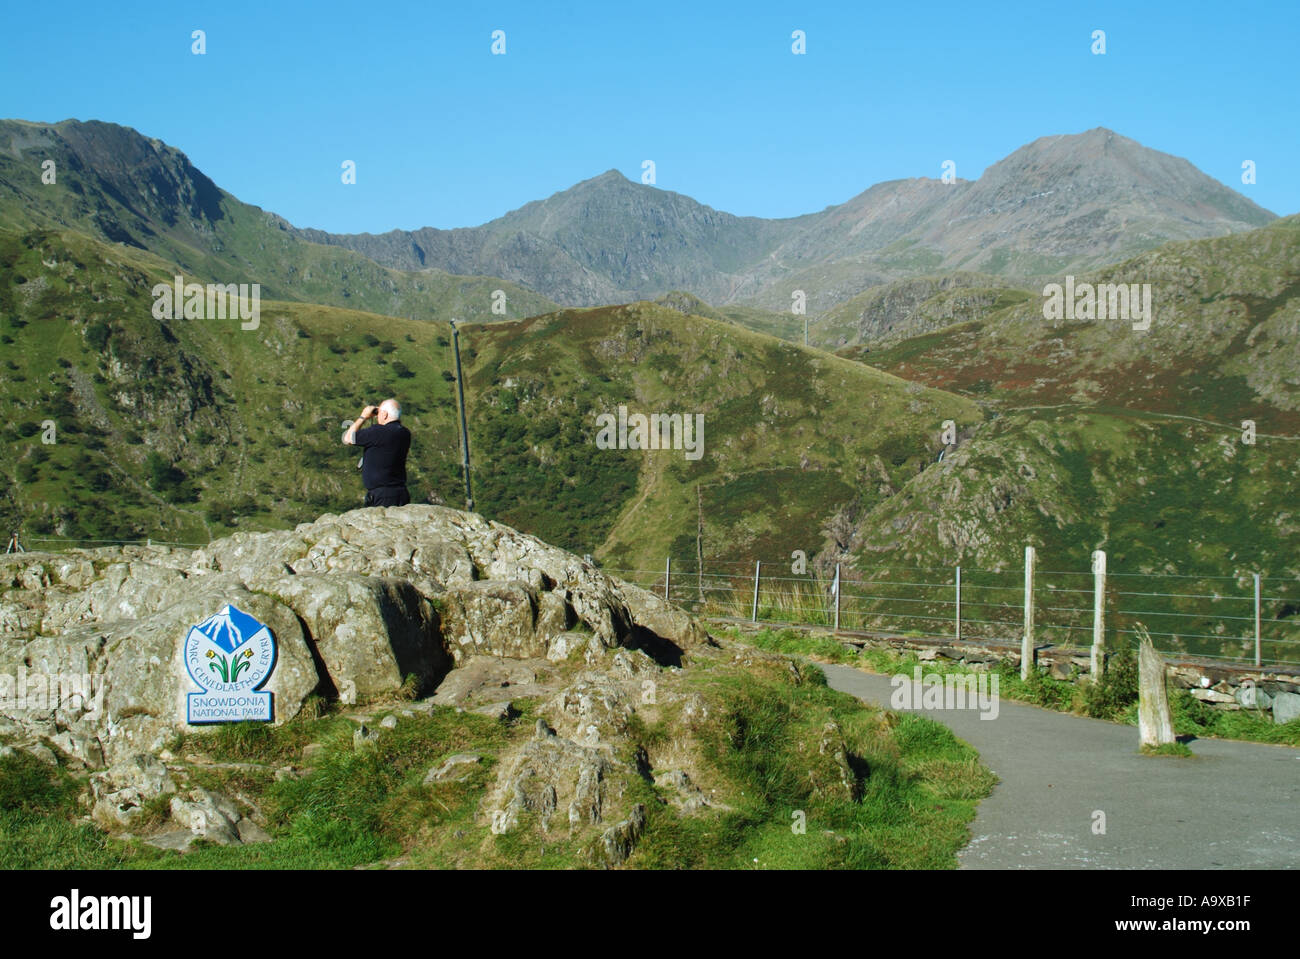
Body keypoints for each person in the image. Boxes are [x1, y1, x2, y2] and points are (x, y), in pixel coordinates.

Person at [342, 398, 411, 507]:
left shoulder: (378, 432)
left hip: (382, 495)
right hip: (400, 492)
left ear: (384, 414)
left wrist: (363, 416)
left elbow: (348, 438)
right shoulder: (405, 433)